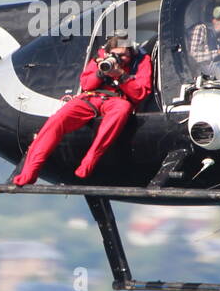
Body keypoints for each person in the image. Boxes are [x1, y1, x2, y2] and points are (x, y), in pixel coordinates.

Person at [13, 33, 152, 186]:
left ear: (131, 53)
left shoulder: (141, 62)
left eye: (123, 55)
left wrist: (121, 76)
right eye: (115, 55)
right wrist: (101, 72)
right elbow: (86, 85)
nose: (119, 59)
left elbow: (140, 94)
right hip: (91, 97)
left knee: (121, 110)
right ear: (107, 53)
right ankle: (30, 172)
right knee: (57, 120)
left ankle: (91, 159)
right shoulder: (98, 59)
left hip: (117, 99)